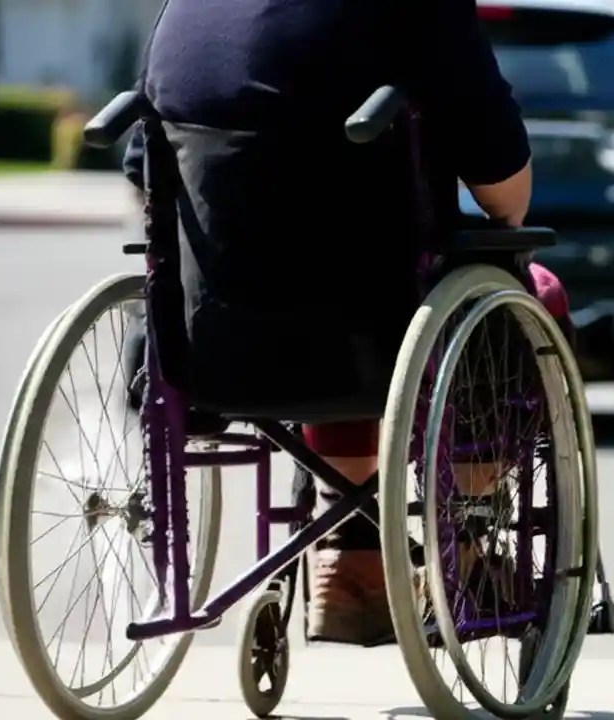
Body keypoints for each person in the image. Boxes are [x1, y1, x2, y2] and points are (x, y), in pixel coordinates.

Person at [121, 0, 572, 645]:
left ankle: (348, 552)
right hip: (368, 330)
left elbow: (144, 169)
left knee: (336, 301)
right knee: (521, 295)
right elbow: (501, 185)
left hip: (210, 340)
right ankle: (468, 539)